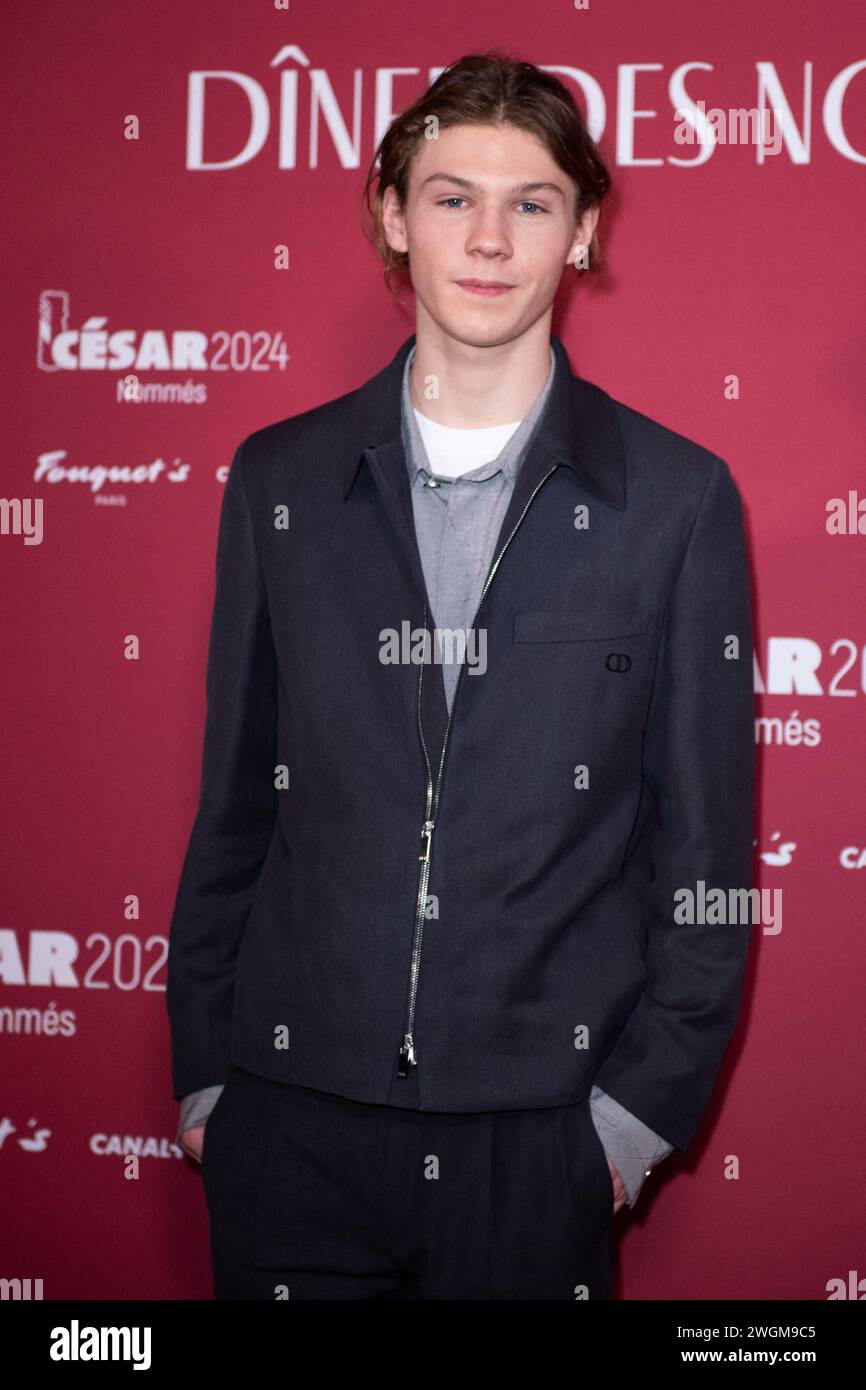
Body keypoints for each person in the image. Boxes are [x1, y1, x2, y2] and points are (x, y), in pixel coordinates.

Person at [166, 50, 755, 1301]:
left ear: (582, 229)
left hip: (535, 1148)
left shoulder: (676, 501)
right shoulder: (279, 479)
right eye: (450, 197)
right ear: (392, 213)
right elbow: (230, 813)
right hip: (288, 1128)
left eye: (530, 202)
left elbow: (704, 867)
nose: (488, 240)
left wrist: (629, 1120)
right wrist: (213, 1076)